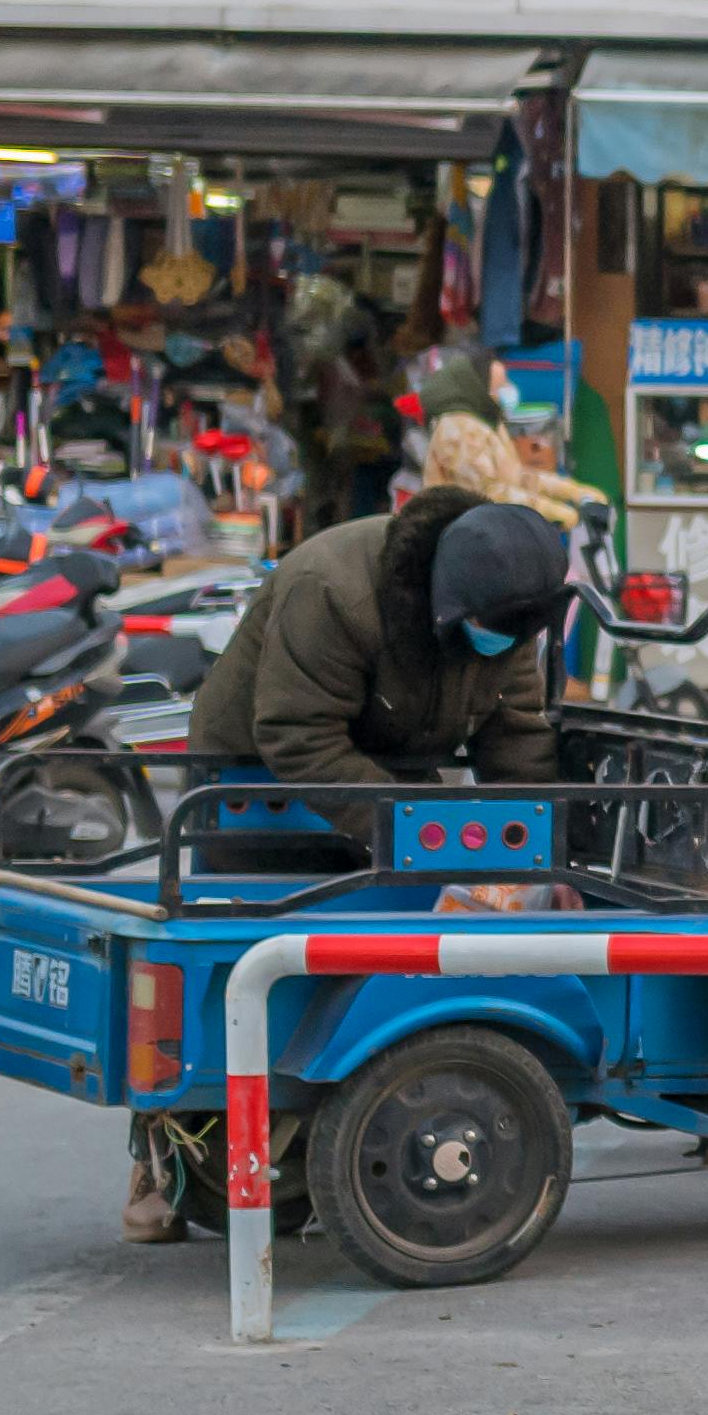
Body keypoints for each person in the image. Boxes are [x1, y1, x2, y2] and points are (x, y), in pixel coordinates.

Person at [140, 488, 577, 1239]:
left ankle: (315, 1160)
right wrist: (416, 823)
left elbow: (518, 736)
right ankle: (158, 1169)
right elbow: (297, 738)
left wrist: (539, 856)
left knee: (371, 968)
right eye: (487, 634)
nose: (501, 647)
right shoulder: (333, 590)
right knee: (228, 983)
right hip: (256, 786)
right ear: (445, 603)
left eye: (516, 637)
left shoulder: (508, 612)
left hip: (386, 781)